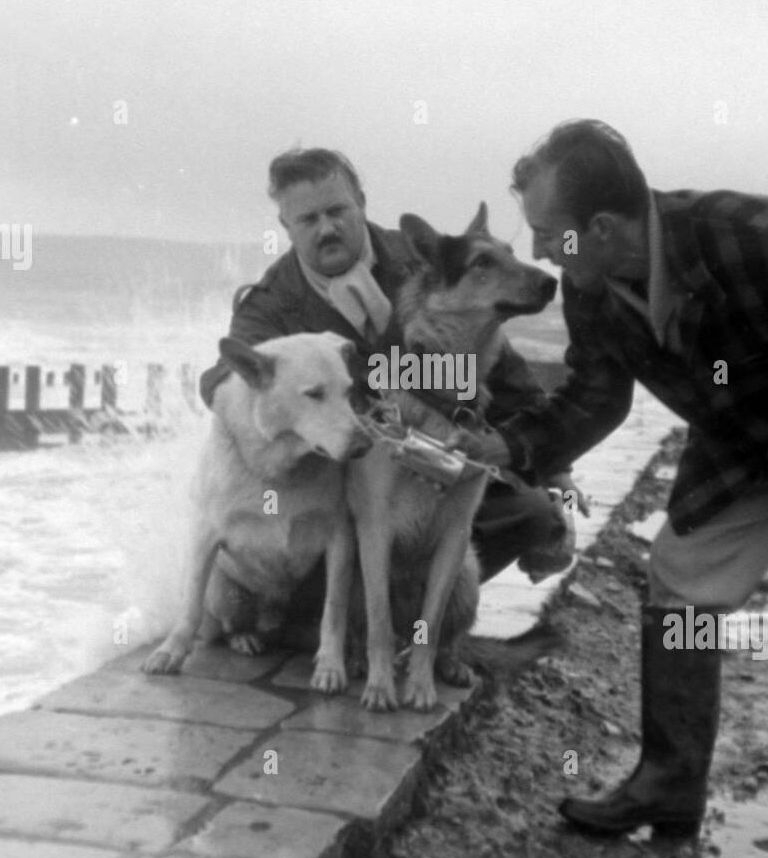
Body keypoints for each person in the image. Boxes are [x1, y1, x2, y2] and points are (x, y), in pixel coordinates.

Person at [465, 119, 768, 858]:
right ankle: (669, 781)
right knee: (677, 577)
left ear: (602, 228)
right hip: (740, 439)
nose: (541, 254)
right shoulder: (590, 286)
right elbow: (592, 398)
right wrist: (505, 451)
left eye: (549, 235)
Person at [199, 146, 575, 587]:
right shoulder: (273, 302)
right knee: (316, 563)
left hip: (440, 467)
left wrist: (562, 484)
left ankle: (424, 611)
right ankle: (351, 614)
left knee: (536, 516)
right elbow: (222, 381)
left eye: (336, 211)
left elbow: (508, 375)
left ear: (361, 201)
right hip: (346, 489)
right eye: (307, 220)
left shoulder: (425, 257)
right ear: (286, 226)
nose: (326, 229)